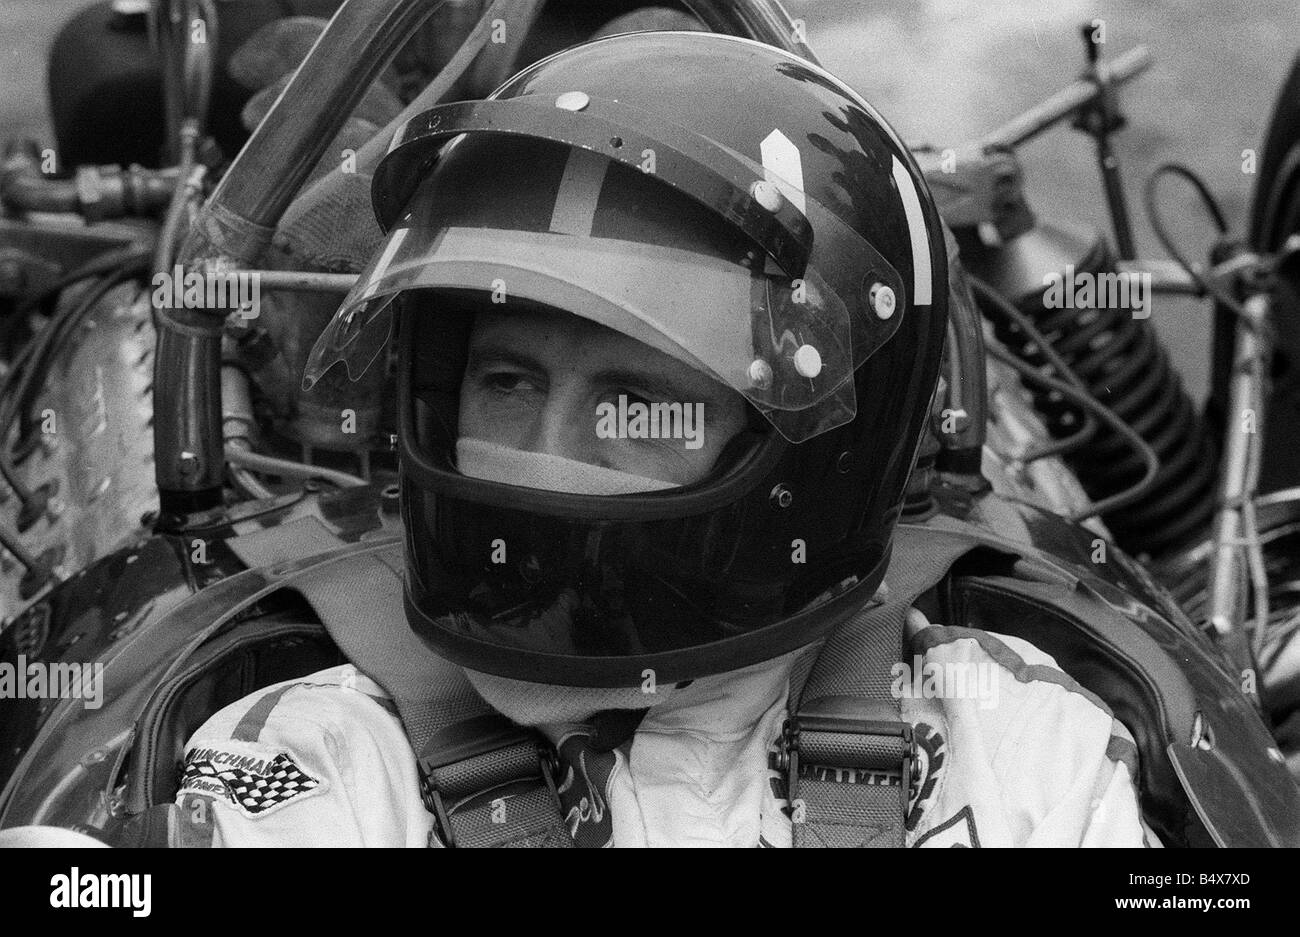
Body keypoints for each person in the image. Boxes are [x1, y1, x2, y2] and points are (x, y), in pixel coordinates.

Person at [174, 30, 1155, 848]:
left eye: (635, 399)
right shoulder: (319, 766)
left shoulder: (1026, 756)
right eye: (506, 380)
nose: (548, 446)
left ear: (811, 458)